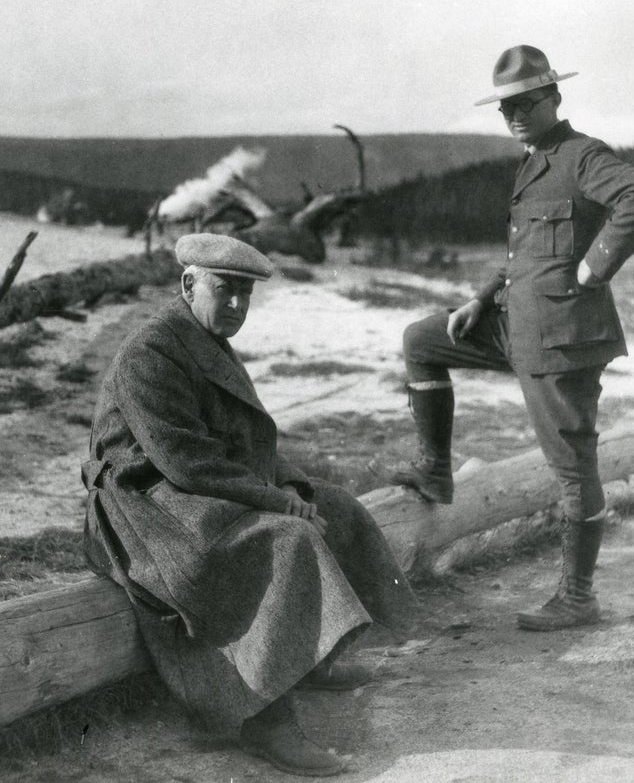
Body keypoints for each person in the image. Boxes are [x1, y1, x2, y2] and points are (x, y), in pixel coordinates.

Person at [82, 233, 417, 777]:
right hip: (145, 507)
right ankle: (266, 721)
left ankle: (311, 658)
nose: (237, 305)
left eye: (245, 293)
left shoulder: (207, 341)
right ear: (188, 284)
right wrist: (273, 500)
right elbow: (186, 461)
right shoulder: (150, 352)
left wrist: (294, 487)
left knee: (338, 507)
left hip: (192, 491)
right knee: (284, 542)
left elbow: (248, 441)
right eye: (225, 289)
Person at [389, 45, 634, 631]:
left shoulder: (580, 155)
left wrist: (594, 270)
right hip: (515, 325)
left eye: (525, 103)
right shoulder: (534, 159)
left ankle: (577, 596)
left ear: (554, 99)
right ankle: (434, 468)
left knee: (571, 466)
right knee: (422, 341)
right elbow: (525, 253)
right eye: (505, 107)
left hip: (563, 338)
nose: (513, 115)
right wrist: (482, 297)